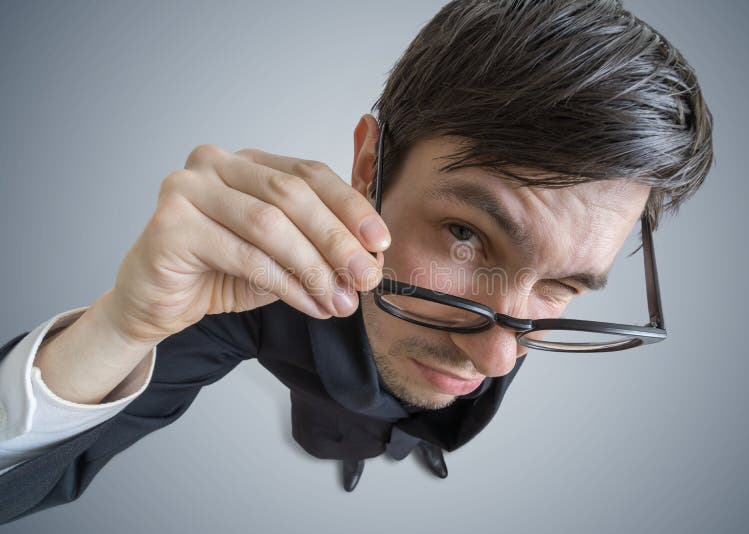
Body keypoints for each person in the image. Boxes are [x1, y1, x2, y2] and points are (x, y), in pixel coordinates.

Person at [0, 0, 713, 524]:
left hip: (428, 414)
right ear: (371, 164)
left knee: (431, 424)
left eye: (561, 284)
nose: (499, 359)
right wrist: (119, 328)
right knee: (347, 439)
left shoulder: (509, 327)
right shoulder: (257, 287)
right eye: (465, 235)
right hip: (335, 420)